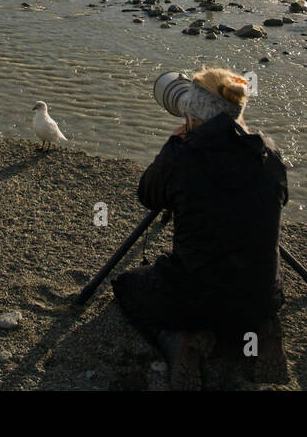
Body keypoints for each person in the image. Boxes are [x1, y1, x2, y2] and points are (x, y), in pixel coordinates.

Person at [111, 68, 288, 388]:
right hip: (261, 297)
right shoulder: (269, 152)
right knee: (255, 261)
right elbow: (279, 200)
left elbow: (148, 195)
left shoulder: (183, 155)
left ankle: (178, 341)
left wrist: (172, 144)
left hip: (194, 299)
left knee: (126, 285)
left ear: (191, 115)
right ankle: (261, 330)